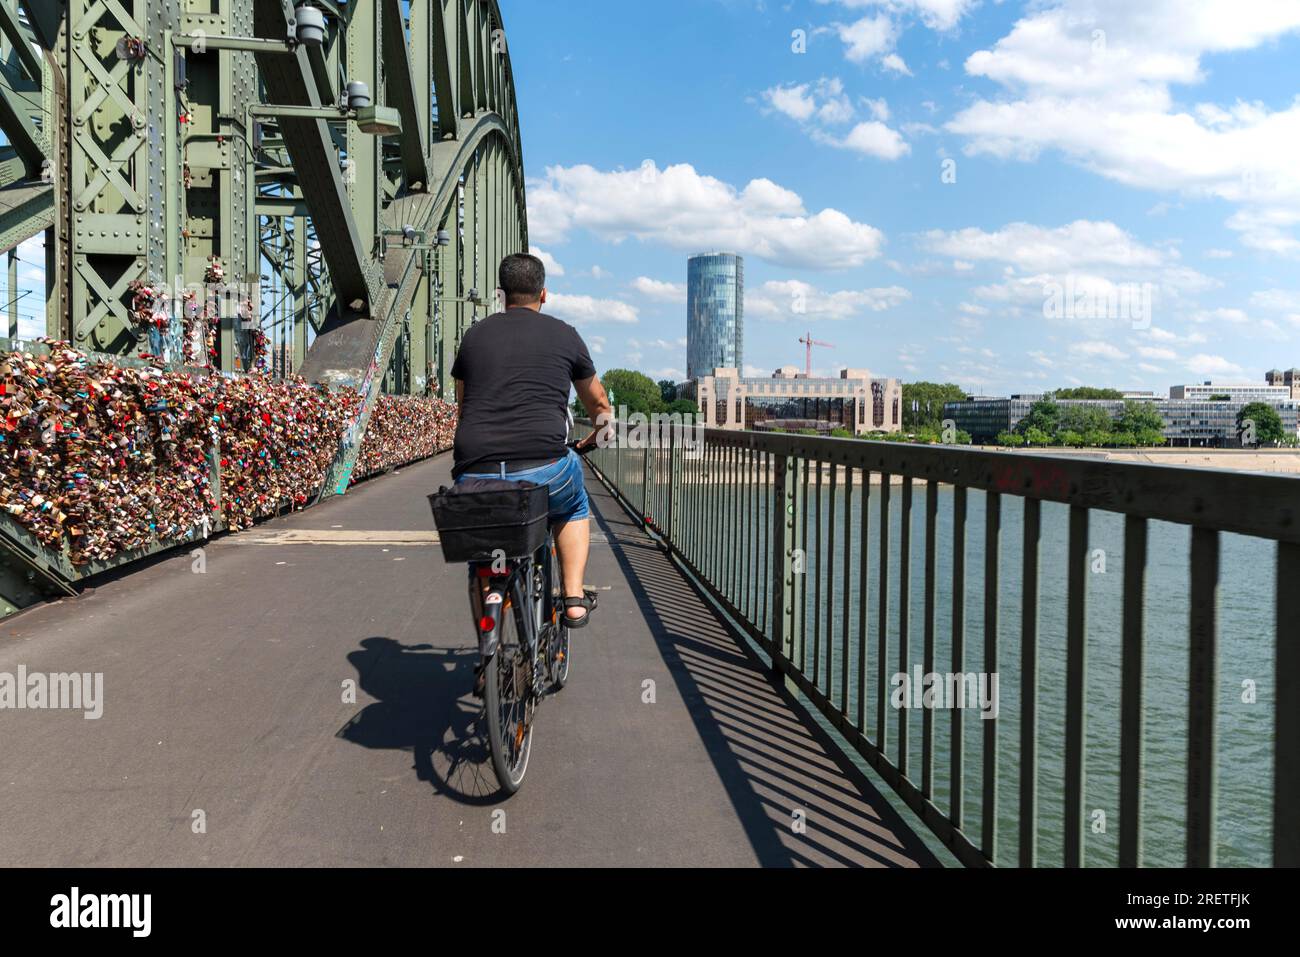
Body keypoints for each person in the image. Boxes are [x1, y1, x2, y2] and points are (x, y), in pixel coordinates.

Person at [451, 252, 612, 628]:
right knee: (572, 504)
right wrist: (602, 433)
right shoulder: (564, 334)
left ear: (500, 294)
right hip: (544, 469)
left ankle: (486, 651)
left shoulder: (474, 336)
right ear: (544, 294)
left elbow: (464, 406)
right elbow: (598, 402)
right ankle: (572, 597)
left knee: (483, 557)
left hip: (479, 471)